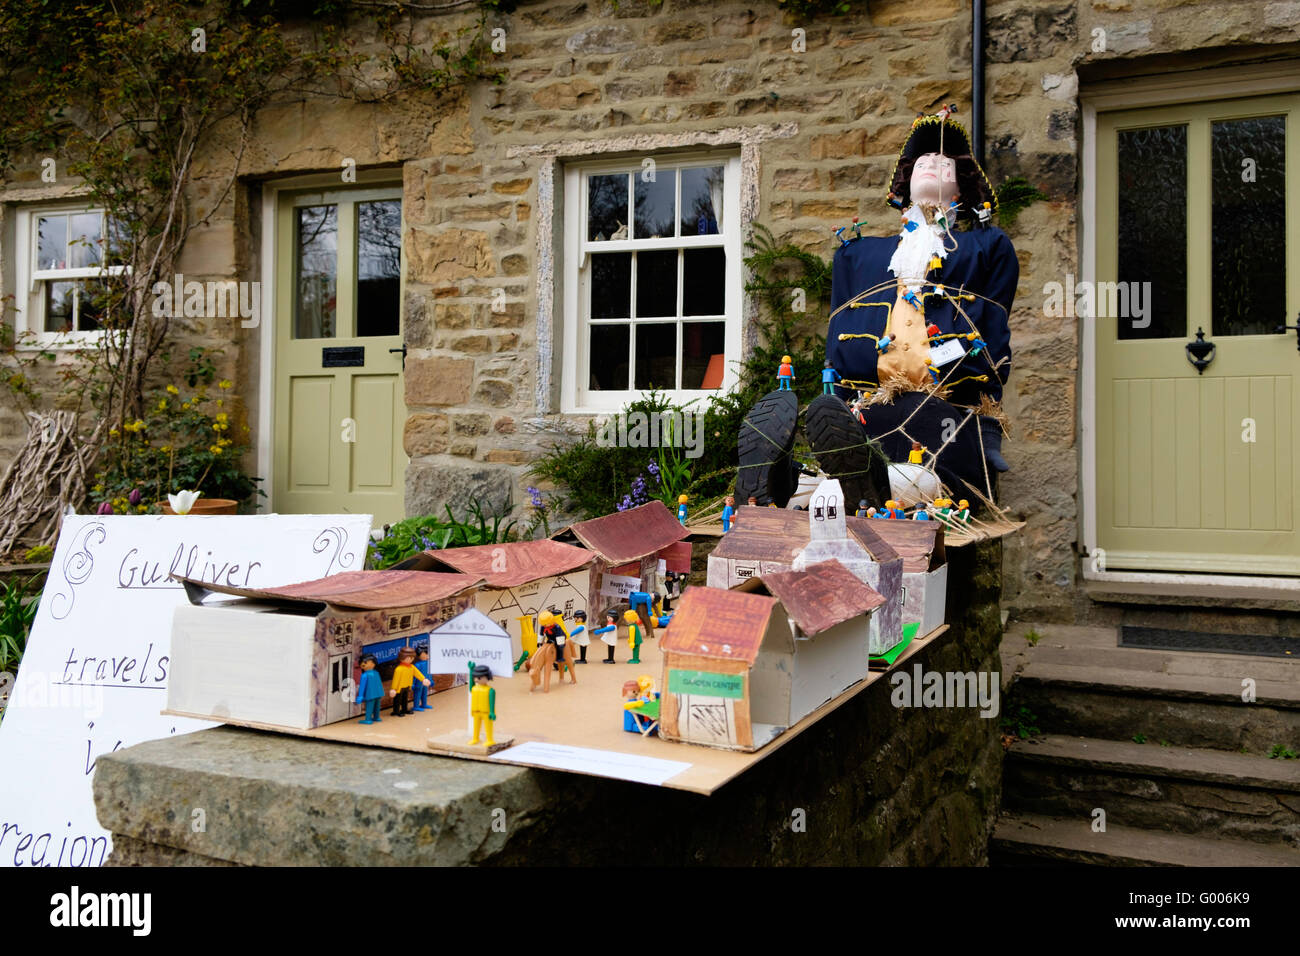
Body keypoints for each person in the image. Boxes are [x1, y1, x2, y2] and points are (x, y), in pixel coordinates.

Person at [388, 647, 429, 717]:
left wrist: (423, 679)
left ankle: (404, 709)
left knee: (405, 699)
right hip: (399, 688)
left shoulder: (412, 667)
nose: (410, 659)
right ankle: (396, 711)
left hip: (407, 686)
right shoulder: (399, 669)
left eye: (412, 658)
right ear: (401, 657)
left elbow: (417, 674)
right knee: (397, 700)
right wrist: (393, 689)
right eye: (408, 658)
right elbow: (395, 680)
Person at [468, 664, 497, 747]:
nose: (476, 679)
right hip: (476, 711)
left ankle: (490, 739)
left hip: (486, 712)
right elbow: (471, 685)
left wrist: (492, 712)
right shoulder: (474, 689)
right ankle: (475, 738)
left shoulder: (490, 690)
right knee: (476, 726)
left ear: (487, 677)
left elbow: (492, 702)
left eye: (479, 677)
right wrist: (471, 670)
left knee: (488, 726)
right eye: (475, 677)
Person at [356, 654, 384, 724]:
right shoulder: (376, 673)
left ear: (373, 663)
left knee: (369, 706)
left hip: (371, 694)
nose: (363, 664)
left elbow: (362, 686)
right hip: (378, 693)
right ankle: (376, 717)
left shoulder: (365, 675)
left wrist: (360, 696)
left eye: (365, 662)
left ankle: (368, 719)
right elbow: (379, 683)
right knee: (377, 706)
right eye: (362, 663)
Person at [411, 645, 432, 712]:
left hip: (426, 682)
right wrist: (413, 683)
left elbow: (429, 673)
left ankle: (424, 704)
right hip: (418, 682)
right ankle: (416, 706)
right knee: (418, 693)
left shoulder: (428, 663)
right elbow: (414, 675)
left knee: (424, 693)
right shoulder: (417, 665)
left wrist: (431, 680)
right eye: (427, 653)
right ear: (422, 654)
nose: (428, 655)